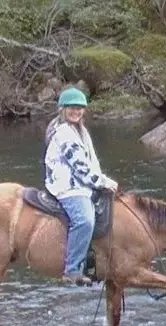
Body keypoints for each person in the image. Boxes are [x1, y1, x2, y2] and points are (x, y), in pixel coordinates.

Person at [44, 87, 118, 286]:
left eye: (79, 108)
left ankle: (96, 262)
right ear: (62, 109)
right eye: (71, 108)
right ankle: (72, 269)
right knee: (84, 220)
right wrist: (102, 182)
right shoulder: (64, 133)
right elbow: (80, 167)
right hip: (68, 186)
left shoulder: (80, 130)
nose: (76, 112)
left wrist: (101, 181)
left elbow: (91, 162)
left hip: (80, 183)